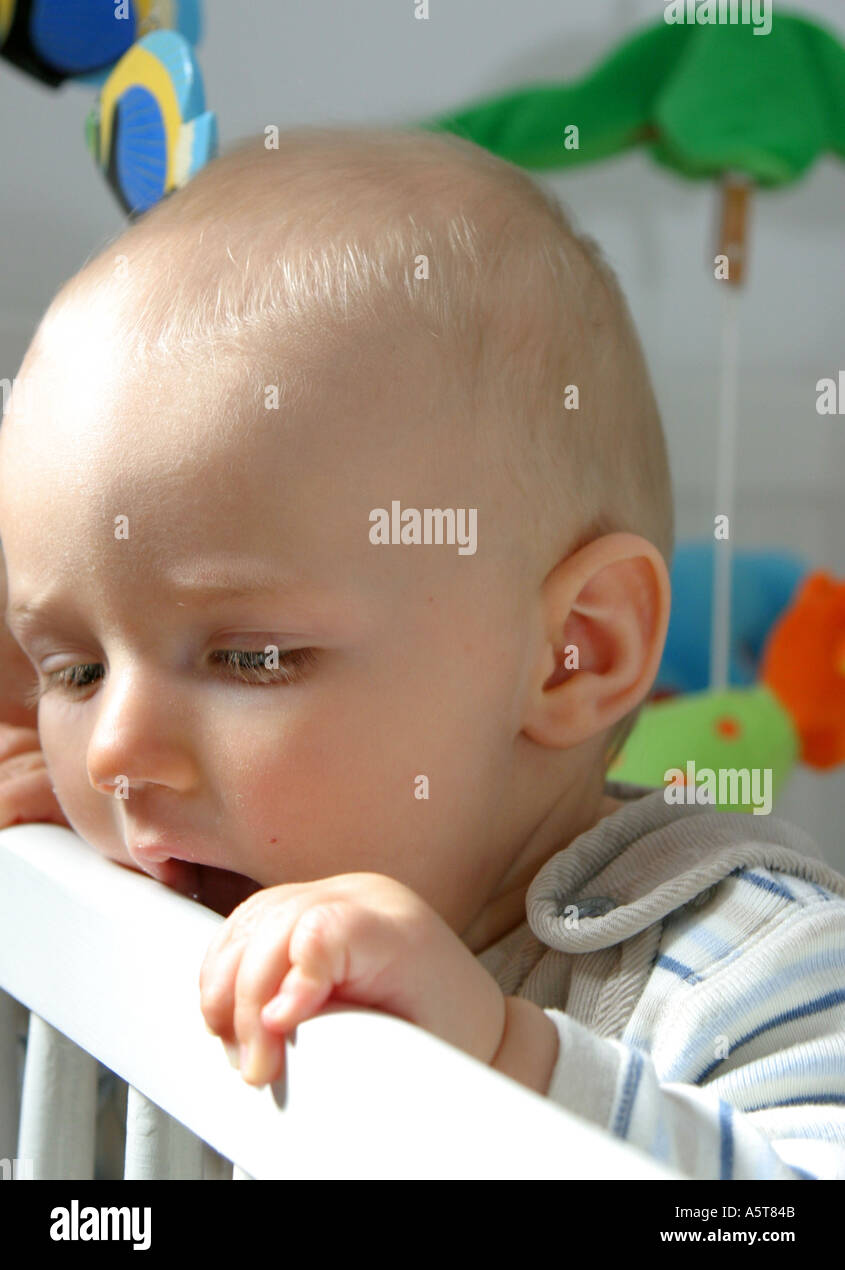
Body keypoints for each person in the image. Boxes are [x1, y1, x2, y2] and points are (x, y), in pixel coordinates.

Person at [1, 125, 843, 1179]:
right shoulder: (127, 908)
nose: (117, 751)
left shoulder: (742, 964)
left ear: (570, 653)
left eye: (250, 657)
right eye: (75, 669)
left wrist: (511, 1064)